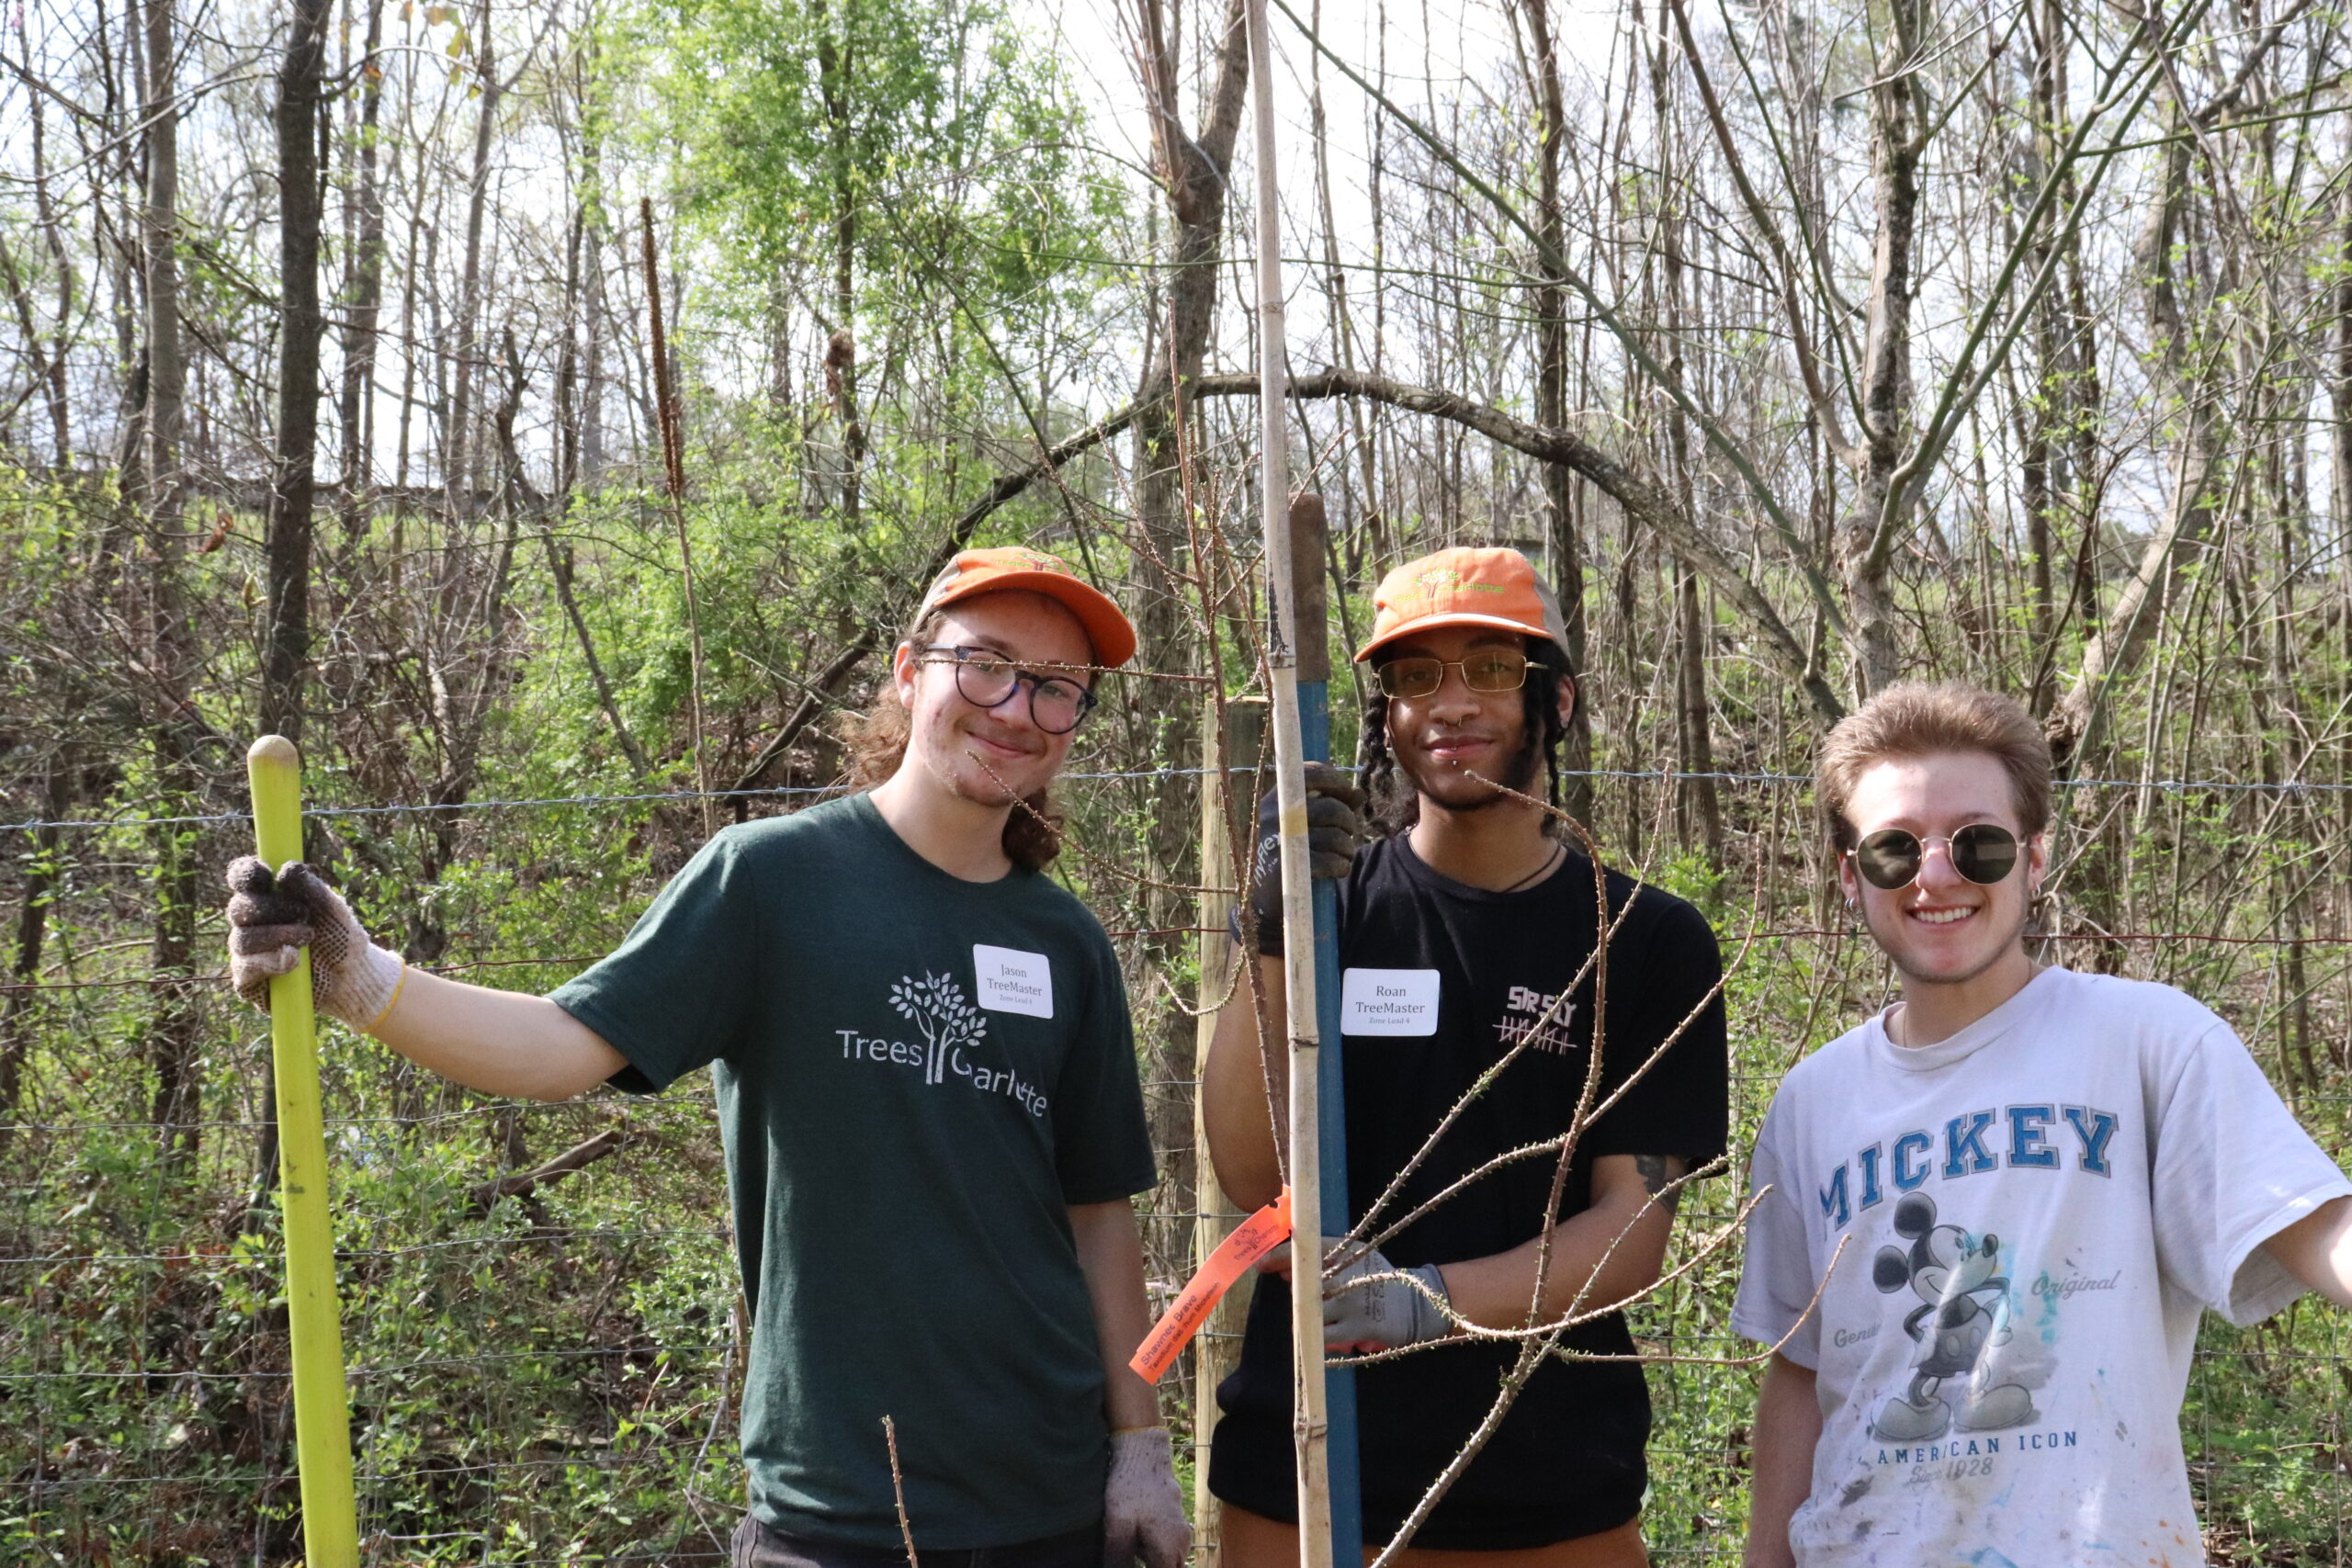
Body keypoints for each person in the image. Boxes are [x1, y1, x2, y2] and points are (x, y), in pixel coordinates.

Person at [224, 547, 1192, 1568]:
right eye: (986, 664)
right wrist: (364, 982)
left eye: (1056, 690)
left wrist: (1138, 1445)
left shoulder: (1064, 940)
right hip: (840, 1499)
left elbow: (1097, 1213)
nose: (1016, 709)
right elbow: (560, 1046)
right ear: (910, 674)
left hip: (1049, 1493)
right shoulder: (771, 882)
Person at [1734, 681, 2352, 1568]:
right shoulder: (1810, 1101)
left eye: (1977, 844)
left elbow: (2316, 1222)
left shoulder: (2146, 1040)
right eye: (1893, 850)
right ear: (1849, 875)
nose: (1935, 875)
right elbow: (1799, 1368)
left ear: (2033, 857)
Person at [1201, 546, 1730, 1568]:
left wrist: (1419, 1300)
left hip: (1546, 1483)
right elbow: (1249, 1172)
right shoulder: (1323, 912)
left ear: (1556, 701)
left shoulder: (1645, 942)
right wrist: (1268, 934)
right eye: (1413, 677)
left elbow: (1629, 1235)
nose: (1449, 704)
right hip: (1306, 1470)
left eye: (1489, 669)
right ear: (1386, 715)